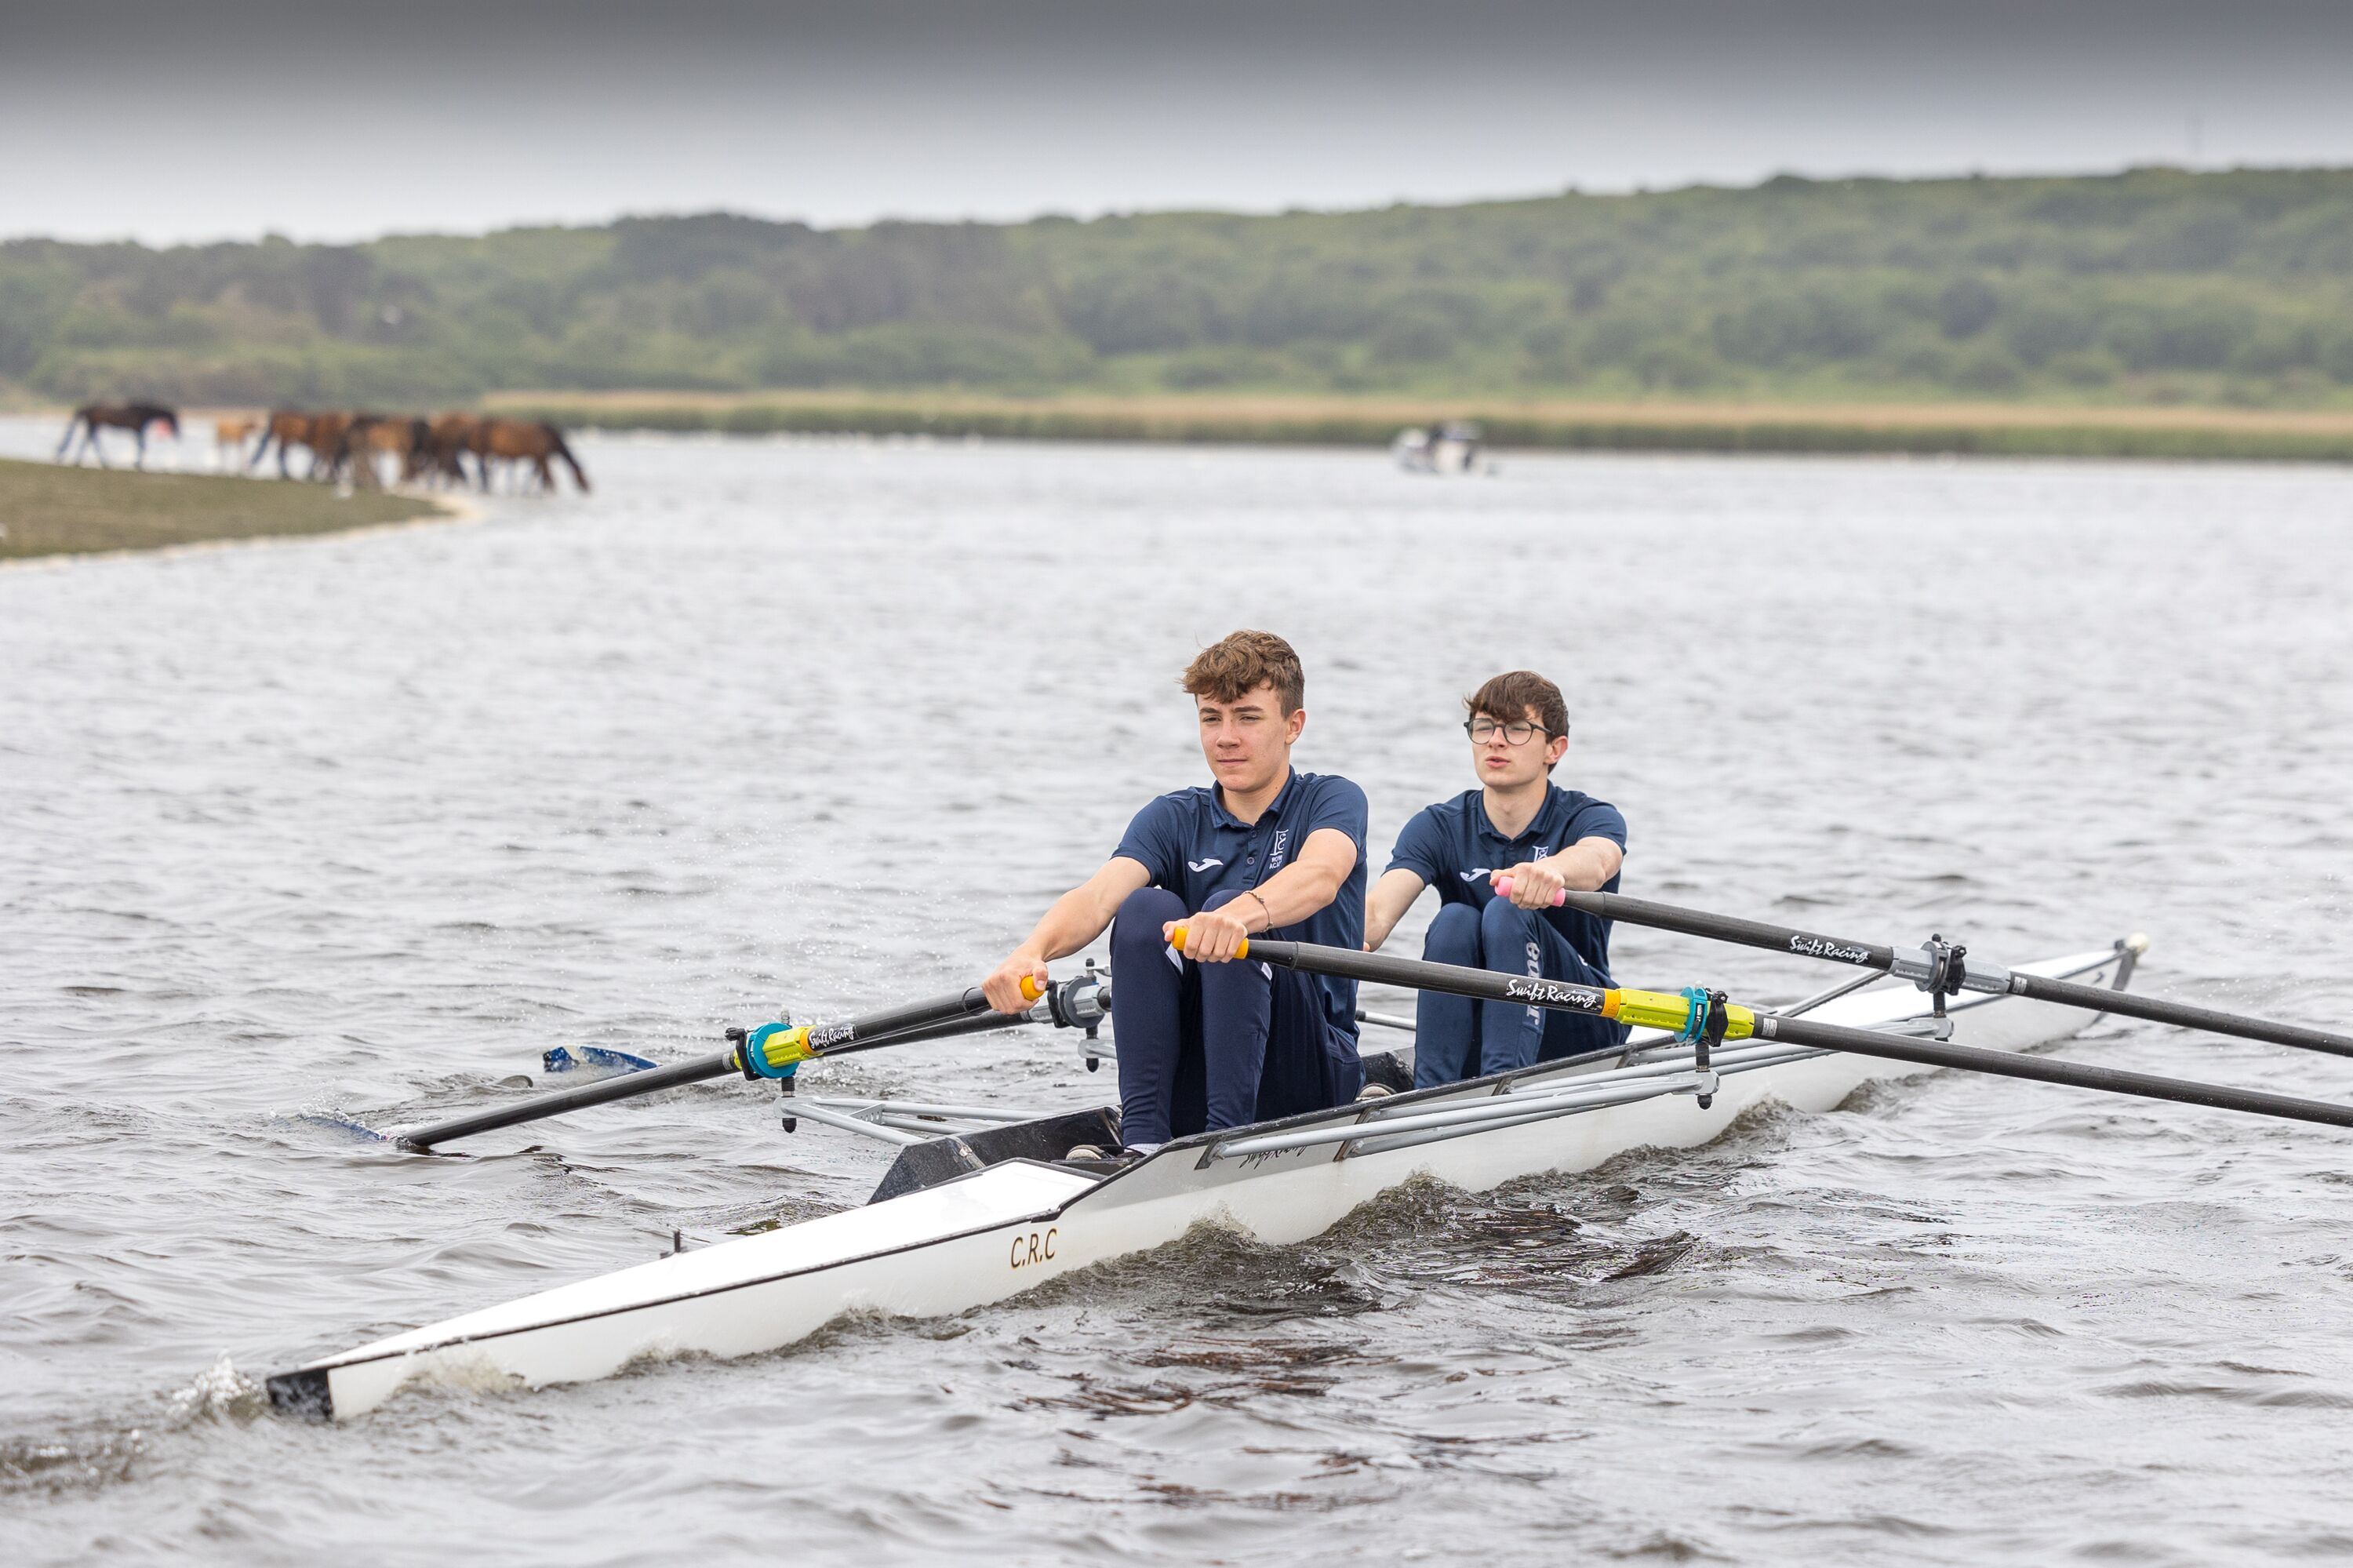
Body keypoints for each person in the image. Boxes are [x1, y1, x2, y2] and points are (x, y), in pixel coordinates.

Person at [983, 631, 1368, 1152]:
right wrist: (1031, 951)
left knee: (1224, 914)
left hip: (1309, 1074)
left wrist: (1237, 916)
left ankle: (1222, 1143)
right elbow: (1097, 898)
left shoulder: (1332, 799)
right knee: (1144, 906)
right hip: (1201, 1074)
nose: (1225, 738)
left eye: (1247, 718)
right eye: (1211, 718)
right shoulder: (1172, 816)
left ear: (1292, 726)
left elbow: (1321, 875)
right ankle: (1144, 1142)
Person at [1363, 671, 1629, 1089]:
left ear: (1555, 748)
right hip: (1482, 1025)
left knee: (1507, 911)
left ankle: (1501, 1086)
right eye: (1484, 727)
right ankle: (1431, 1092)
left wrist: (1552, 871)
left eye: (1517, 729)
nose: (1496, 741)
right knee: (1454, 919)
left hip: (1580, 1023)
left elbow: (1598, 861)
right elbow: (1377, 914)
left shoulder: (1590, 816)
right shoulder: (1438, 825)